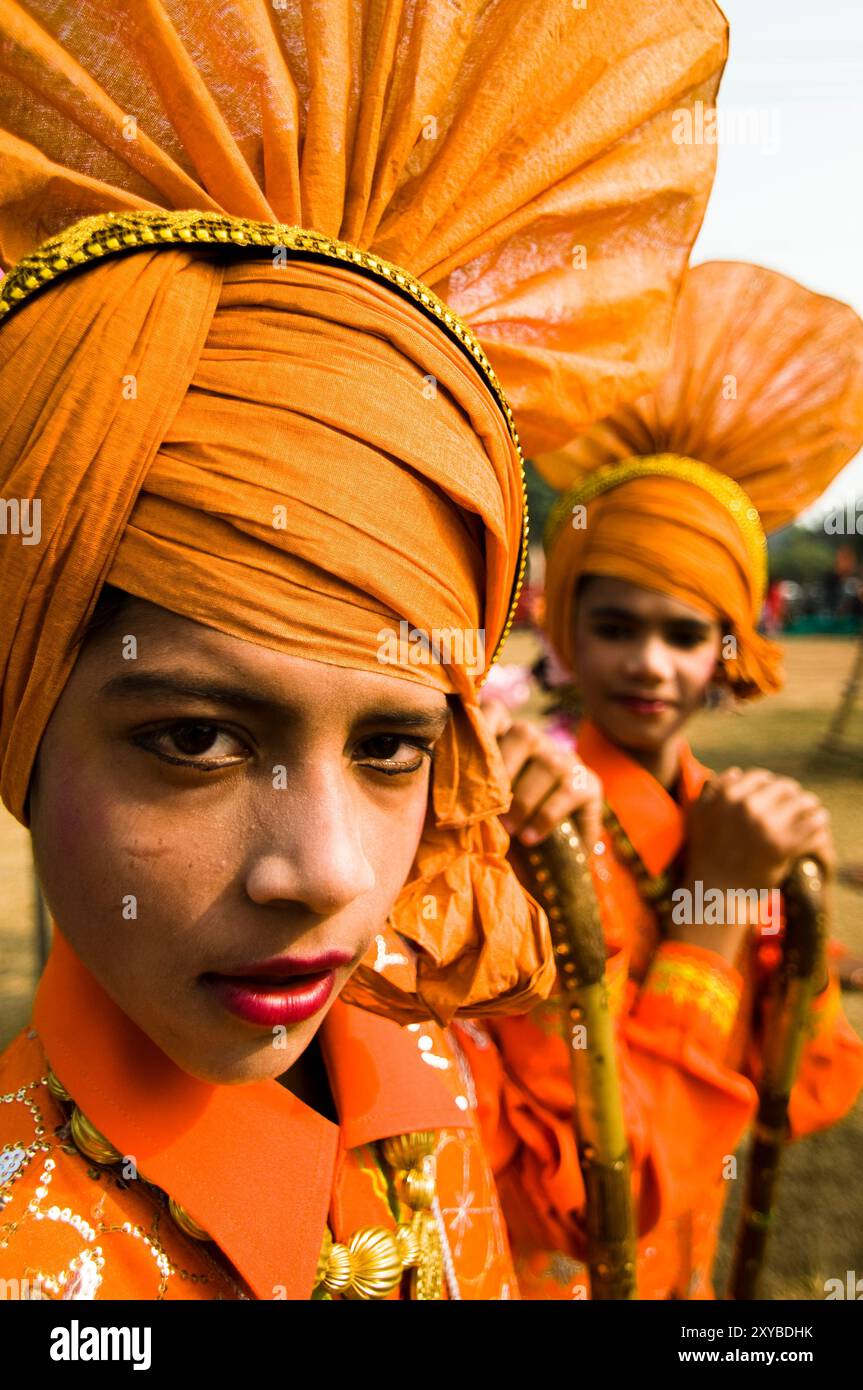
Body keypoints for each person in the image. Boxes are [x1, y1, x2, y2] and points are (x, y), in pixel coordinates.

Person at [0, 0, 728, 1299]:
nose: (328, 872)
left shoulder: (426, 1082)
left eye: (392, 745)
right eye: (195, 738)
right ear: (23, 711)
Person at [459, 261, 863, 1300]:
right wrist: (718, 912)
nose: (649, 663)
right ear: (564, 632)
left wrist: (793, 918)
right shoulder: (523, 829)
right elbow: (583, 1193)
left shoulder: (727, 816)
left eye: (684, 633)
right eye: (614, 625)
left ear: (729, 645)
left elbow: (801, 1090)